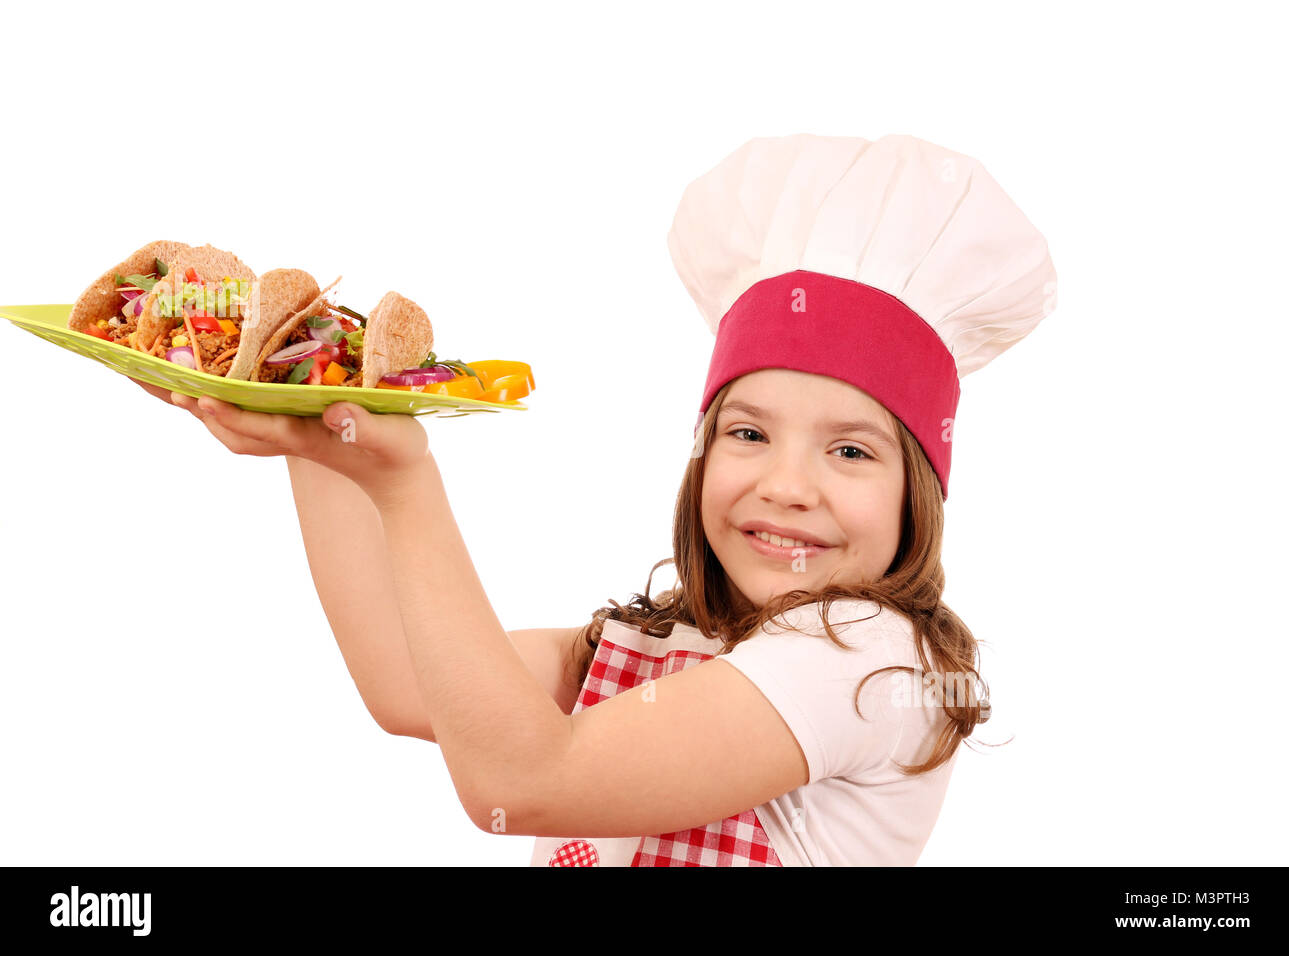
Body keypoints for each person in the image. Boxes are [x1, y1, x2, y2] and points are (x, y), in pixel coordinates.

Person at [131, 132, 1057, 866]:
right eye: (748, 433)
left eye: (850, 450)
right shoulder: (665, 643)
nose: (785, 485)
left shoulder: (869, 661)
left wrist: (406, 486)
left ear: (918, 493)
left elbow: (521, 782)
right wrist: (309, 415)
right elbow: (412, 687)